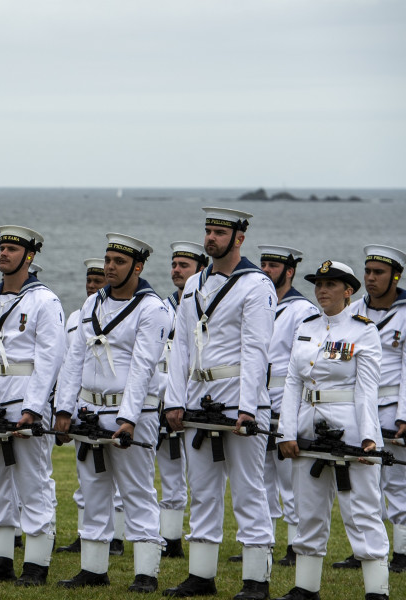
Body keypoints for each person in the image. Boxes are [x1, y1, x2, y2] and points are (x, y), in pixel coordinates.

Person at [163, 207, 277, 600]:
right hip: (198, 398)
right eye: (208, 231)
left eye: (219, 232)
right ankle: (201, 575)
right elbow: (179, 346)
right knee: (204, 492)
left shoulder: (255, 284)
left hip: (239, 400)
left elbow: (256, 350)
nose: (210, 238)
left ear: (239, 238)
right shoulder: (195, 282)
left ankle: (256, 581)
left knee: (248, 491)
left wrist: (247, 407)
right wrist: (173, 400)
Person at [54, 233, 170, 592]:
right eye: (107, 261)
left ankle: (146, 573)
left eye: (119, 262)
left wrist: (128, 418)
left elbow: (143, 367)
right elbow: (75, 359)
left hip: (130, 412)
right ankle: (93, 568)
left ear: (138, 266)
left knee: (136, 491)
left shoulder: (153, 308)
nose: (109, 268)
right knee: (92, 490)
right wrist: (63, 408)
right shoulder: (92, 304)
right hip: (90, 409)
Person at [274, 260, 389, 600]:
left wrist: (369, 437)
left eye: (331, 284)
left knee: (362, 511)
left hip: (350, 430)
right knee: (308, 510)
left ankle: (377, 591)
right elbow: (293, 383)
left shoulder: (363, 330)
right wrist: (286, 432)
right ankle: (305, 588)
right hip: (308, 426)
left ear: (348, 291)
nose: (322, 290)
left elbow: (368, 389)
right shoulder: (306, 326)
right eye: (318, 284)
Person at [0, 225, 65, 586]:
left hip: (24, 406)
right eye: (1, 247)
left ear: (29, 256)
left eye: (11, 249)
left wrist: (33, 410)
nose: (3, 253)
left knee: (33, 484)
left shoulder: (45, 301)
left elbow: (49, 360)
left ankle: (36, 565)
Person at [255, 244, 318, 567]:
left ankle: (295, 545)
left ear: (289, 271)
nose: (265, 269)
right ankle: (262, 542)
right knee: (260, 481)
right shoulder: (257, 304)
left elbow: (301, 365)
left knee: (289, 483)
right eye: (263, 263)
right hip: (257, 403)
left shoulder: (302, 310)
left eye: (273, 265)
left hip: (284, 405)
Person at [349, 244, 406, 573]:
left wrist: (403, 415)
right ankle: (365, 550)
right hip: (358, 408)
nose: (370, 278)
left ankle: (401, 552)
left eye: (378, 273)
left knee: (397, 483)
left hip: (391, 407)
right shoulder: (354, 309)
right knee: (363, 482)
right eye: (367, 271)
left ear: (395, 276)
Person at [154, 242, 208, 557]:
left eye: (183, 265)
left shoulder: (207, 306)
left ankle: (187, 538)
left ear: (200, 269)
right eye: (174, 264)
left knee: (195, 474)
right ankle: (170, 539)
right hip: (162, 400)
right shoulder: (161, 307)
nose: (176, 270)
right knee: (169, 468)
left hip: (197, 398)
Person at [58, 257, 113, 555]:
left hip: (111, 403)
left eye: (98, 281)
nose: (92, 286)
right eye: (89, 281)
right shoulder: (75, 318)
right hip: (83, 404)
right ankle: (86, 535)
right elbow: (69, 362)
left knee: (116, 479)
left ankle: (113, 537)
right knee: (86, 478)